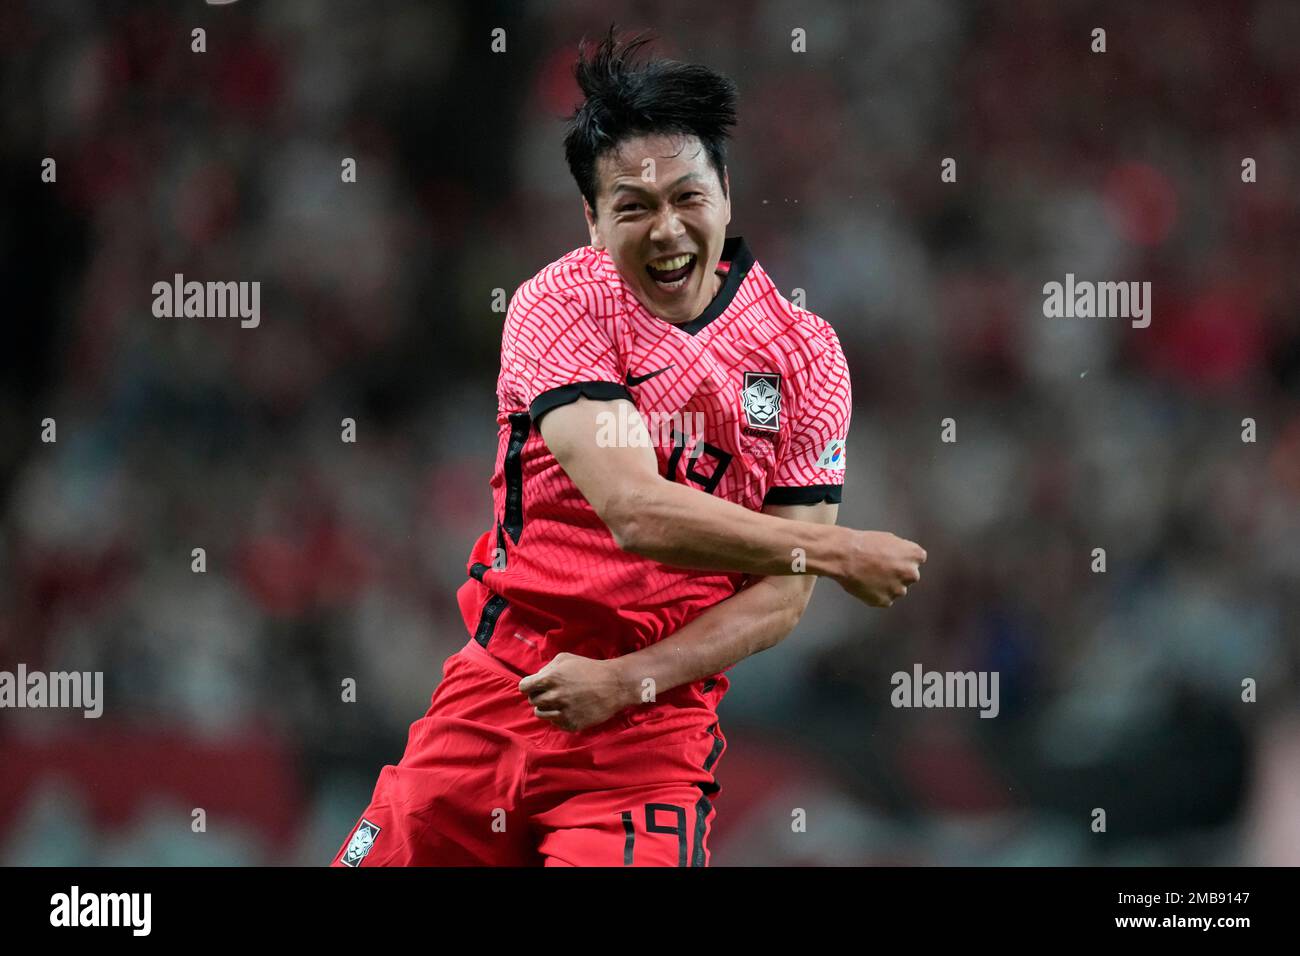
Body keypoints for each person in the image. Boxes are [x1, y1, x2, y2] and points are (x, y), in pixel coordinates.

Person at [332, 28, 925, 868]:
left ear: (726, 191)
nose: (668, 230)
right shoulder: (560, 307)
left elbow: (778, 601)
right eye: (634, 208)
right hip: (498, 693)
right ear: (592, 219)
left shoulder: (807, 357)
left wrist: (626, 680)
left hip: (651, 735)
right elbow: (634, 510)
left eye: (688, 197)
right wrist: (832, 549)